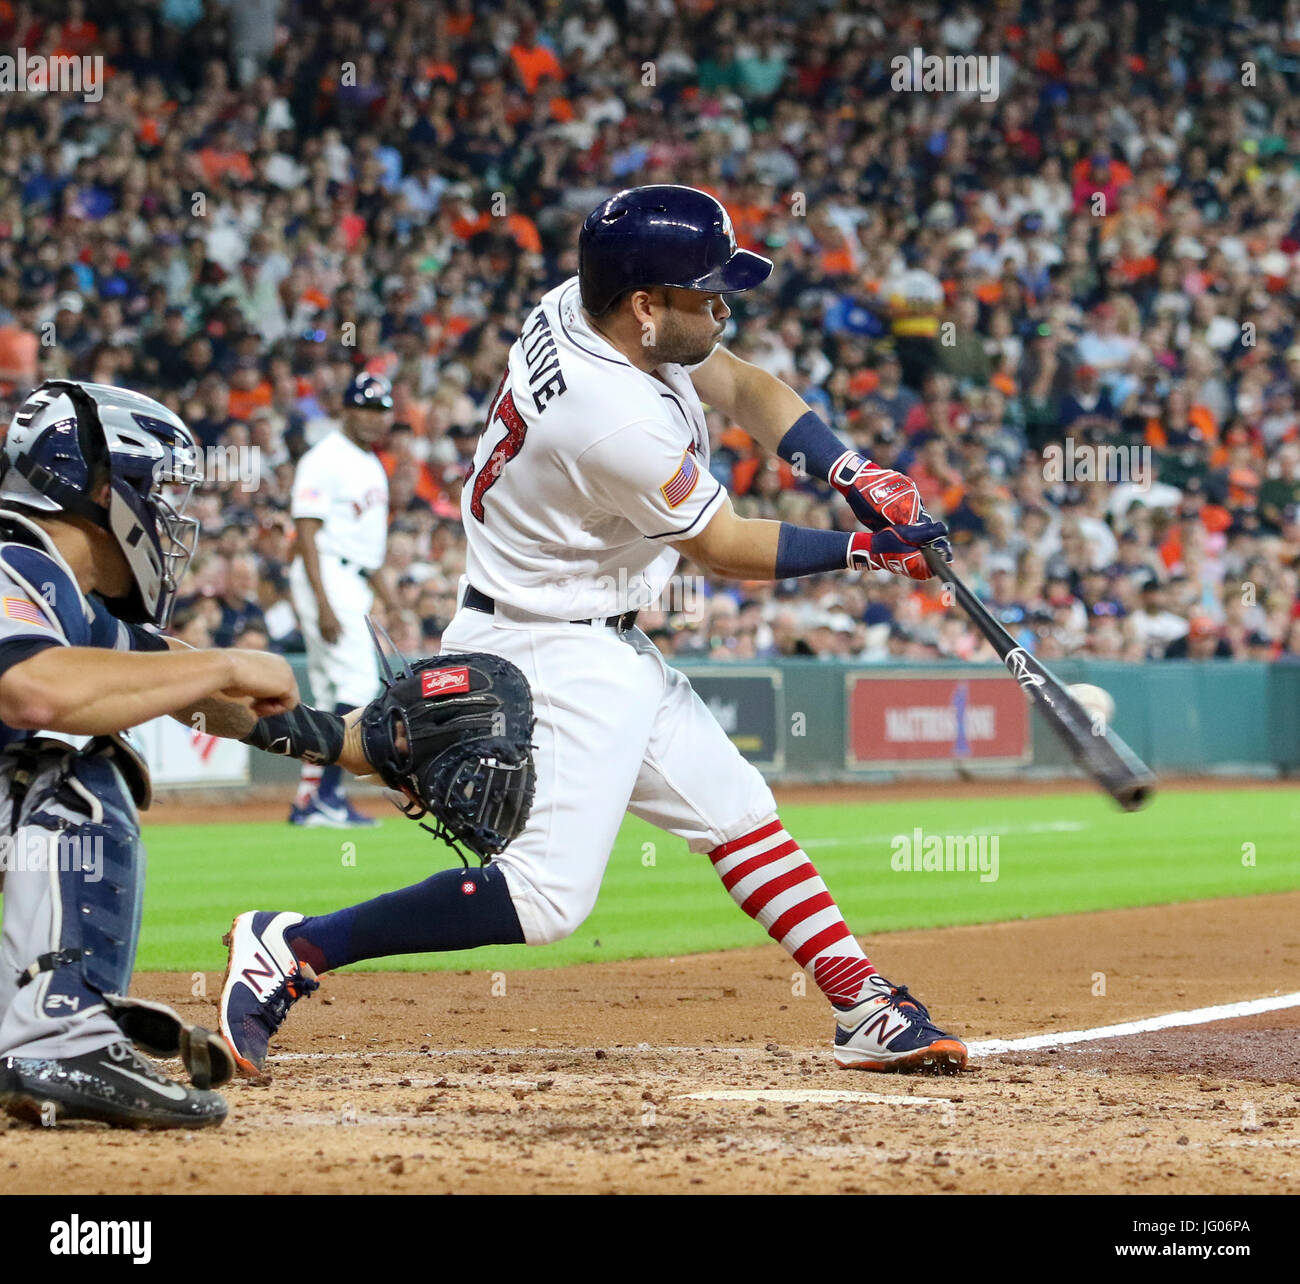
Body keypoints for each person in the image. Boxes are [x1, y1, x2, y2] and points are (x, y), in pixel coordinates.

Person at [219, 186, 968, 1079]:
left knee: (738, 814)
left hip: (588, 624)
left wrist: (851, 468)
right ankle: (293, 947)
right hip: (549, 644)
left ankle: (861, 1005)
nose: (722, 308)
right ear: (646, 306)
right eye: (705, 294)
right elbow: (722, 547)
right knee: (546, 899)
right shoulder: (611, 417)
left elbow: (744, 385)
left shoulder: (594, 308)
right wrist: (864, 550)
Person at [0, 380, 299, 1128]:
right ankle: (60, 1031)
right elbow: (35, 692)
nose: (168, 514)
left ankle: (49, 1002)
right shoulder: (12, 559)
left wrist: (361, 743)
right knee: (74, 773)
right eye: (156, 488)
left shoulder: (53, 587)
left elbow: (178, 680)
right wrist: (228, 664)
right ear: (102, 488)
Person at [287, 371, 393, 827]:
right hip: (327, 572)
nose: (373, 418)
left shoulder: (369, 461)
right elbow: (307, 533)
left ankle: (310, 800)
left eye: (380, 411)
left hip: (353, 576)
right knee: (357, 689)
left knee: (332, 693)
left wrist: (383, 591)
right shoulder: (325, 457)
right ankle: (326, 799)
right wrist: (324, 603)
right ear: (346, 410)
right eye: (365, 408)